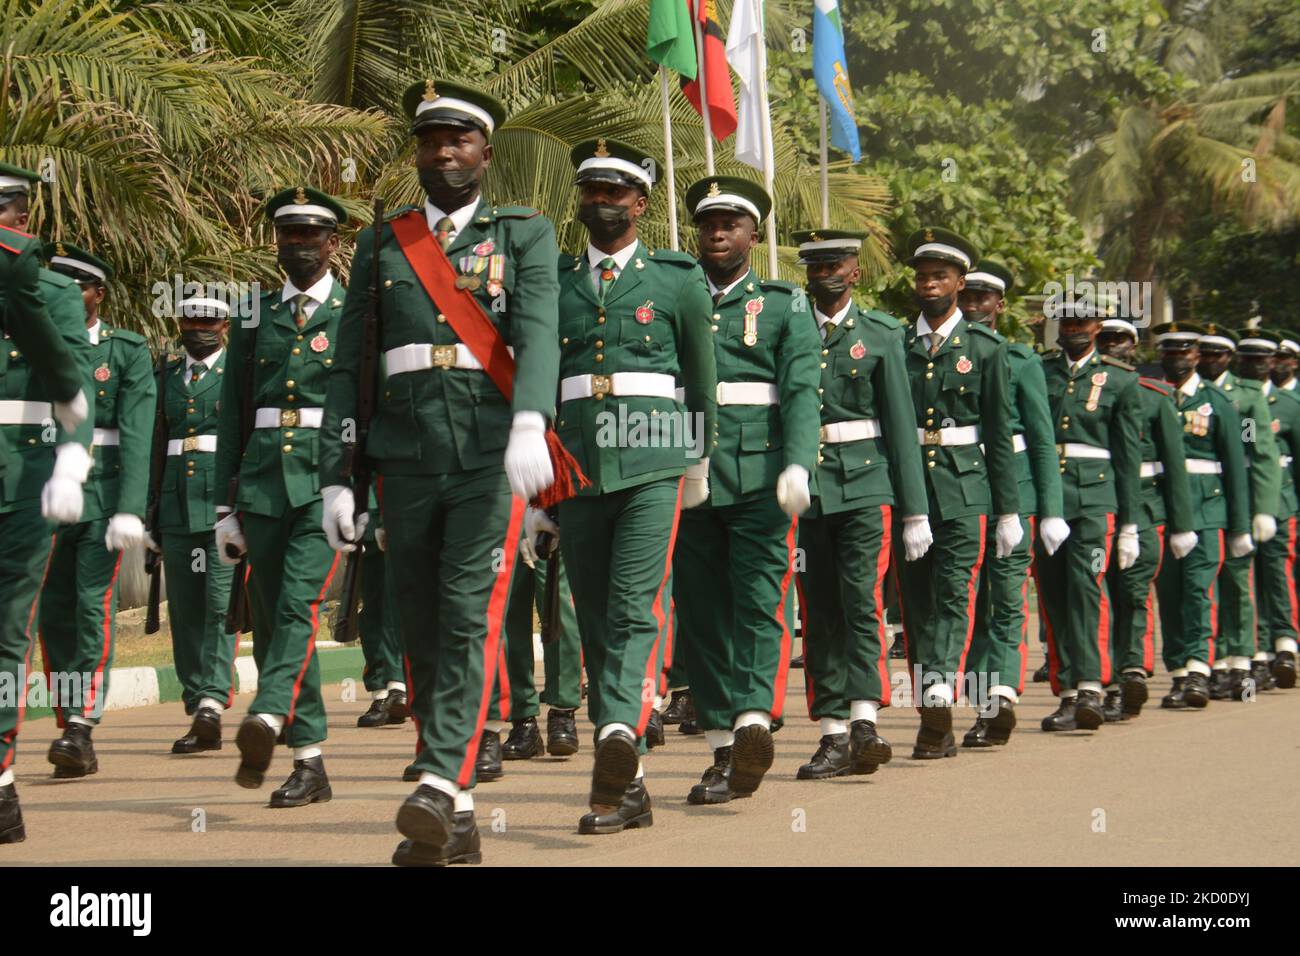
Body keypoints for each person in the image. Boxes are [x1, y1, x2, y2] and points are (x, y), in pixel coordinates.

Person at [320, 81, 561, 866]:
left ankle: (437, 775)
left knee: (467, 614)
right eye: (430, 142)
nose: (443, 154)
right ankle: (454, 813)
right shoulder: (382, 243)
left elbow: (538, 332)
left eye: (458, 141)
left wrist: (530, 418)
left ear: (485, 154)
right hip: (405, 454)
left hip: (490, 455)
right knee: (416, 622)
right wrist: (338, 472)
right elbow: (352, 363)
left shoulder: (523, 234)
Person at [535, 137, 716, 833]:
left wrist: (696, 462)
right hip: (578, 467)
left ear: (641, 203)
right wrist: (538, 492)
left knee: (635, 606)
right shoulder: (554, 280)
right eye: (591, 192)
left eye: (616, 193)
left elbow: (701, 384)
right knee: (595, 612)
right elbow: (544, 385)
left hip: (654, 461)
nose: (602, 204)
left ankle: (615, 730)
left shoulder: (676, 280)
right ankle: (628, 782)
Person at [669, 177, 817, 804]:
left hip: (759, 475)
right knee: (700, 613)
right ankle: (721, 749)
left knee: (758, 602)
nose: (718, 234)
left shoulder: (784, 304)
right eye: (708, 224)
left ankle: (755, 718)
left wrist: (799, 464)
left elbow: (803, 388)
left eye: (732, 223)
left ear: (754, 235)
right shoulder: (672, 294)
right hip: (685, 472)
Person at [215, 186, 350, 808]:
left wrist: (363, 488)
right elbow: (233, 411)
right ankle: (310, 759)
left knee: (298, 604)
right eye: (287, 236)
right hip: (263, 483)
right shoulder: (253, 314)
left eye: (310, 236)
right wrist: (224, 506)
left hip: (326, 486)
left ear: (333, 243)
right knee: (271, 624)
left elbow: (363, 410)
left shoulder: (353, 314)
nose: (298, 247)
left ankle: (267, 713)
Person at [788, 227, 929, 778]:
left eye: (837, 262)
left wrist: (915, 509)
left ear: (856, 272)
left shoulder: (882, 334)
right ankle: (831, 732)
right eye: (816, 262)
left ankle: (866, 719)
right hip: (808, 487)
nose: (826, 271)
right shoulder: (792, 328)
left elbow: (900, 426)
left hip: (866, 485)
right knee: (817, 610)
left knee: (861, 600)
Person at [895, 227, 1020, 758]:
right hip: (908, 490)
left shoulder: (987, 350)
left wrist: (1009, 510)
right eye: (922, 276)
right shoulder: (894, 343)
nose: (929, 284)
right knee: (915, 603)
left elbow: (999, 433)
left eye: (940, 276)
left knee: (953, 591)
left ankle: (942, 684)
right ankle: (934, 718)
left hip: (966, 487)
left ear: (959, 282)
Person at [0, 162, 93, 844]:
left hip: (24, 475)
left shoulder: (54, 292)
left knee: (6, 631)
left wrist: (71, 457)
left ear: (22, 222)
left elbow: (71, 381)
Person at [37, 243, 155, 777]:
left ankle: (82, 722)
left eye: (74, 286)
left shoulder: (125, 351)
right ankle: (69, 725)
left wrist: (130, 507)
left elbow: (136, 433)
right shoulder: (29, 341)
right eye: (53, 283)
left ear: (97, 294)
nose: (61, 294)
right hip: (39, 495)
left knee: (91, 606)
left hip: (102, 497)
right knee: (52, 613)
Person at [958, 260, 1067, 746]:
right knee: (965, 600)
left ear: (1000, 306)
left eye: (984, 298)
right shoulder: (940, 354)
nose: (973, 306)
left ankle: (997, 698)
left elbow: (1042, 440)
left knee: (1003, 598)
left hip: (1014, 495)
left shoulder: (1019, 360)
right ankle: (969, 695)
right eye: (968, 296)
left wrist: (1052, 508)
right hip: (959, 491)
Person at [1034, 299, 1142, 731]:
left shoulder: (1121, 380)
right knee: (1054, 595)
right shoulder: (1040, 371)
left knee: (1086, 588)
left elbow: (1128, 458)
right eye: (1068, 322)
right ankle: (1067, 694)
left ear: (1098, 325)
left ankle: (1092, 687)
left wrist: (1131, 524)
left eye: (1084, 322)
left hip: (1096, 501)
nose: (1075, 329)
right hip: (1048, 499)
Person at [1094, 316, 1195, 720]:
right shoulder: (1087, 392)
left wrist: (1182, 524)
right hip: (1098, 507)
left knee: (1133, 594)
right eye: (1107, 339)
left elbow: (1174, 463)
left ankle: (1130, 671)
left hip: (1146, 509)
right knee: (1099, 597)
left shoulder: (1155, 395)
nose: (1114, 346)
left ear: (1134, 347)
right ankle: (1102, 681)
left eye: (1122, 340)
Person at [154, 297, 240, 754]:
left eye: (207, 321)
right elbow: (153, 446)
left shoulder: (237, 373)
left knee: (220, 604)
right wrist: (150, 514)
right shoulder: (164, 376)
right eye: (190, 320)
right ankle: (196, 706)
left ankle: (213, 700)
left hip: (221, 506)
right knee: (185, 610)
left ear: (224, 325)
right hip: (175, 505)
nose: (198, 328)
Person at [1150, 322, 1251, 709]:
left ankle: (1198, 668)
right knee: (1170, 593)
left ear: (1197, 355)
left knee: (1197, 591)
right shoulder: (1152, 395)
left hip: (1207, 509)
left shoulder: (1219, 403)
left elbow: (1236, 465)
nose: (1178, 358)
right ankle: (1178, 671)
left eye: (1186, 351)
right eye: (1170, 351)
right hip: (1163, 507)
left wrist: (1240, 524)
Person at [1196, 325, 1280, 700]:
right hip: (1202, 498)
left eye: (1218, 354)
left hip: (1236, 497)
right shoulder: (1191, 392)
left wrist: (1263, 510)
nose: (1211, 361)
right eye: (1206, 353)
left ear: (1229, 358)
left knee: (1237, 582)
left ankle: (1242, 661)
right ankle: (1214, 661)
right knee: (1206, 584)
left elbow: (1260, 455)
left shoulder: (1244, 398)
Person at [1235, 329, 1299, 691]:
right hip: (1244, 499)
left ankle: (1286, 644)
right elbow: (1245, 450)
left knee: (1277, 574)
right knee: (1248, 578)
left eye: (1262, 360)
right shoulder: (1239, 400)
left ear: (1273, 362)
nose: (1256, 366)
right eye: (1248, 360)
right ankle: (1258, 650)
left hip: (1283, 502)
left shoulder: (1289, 405)